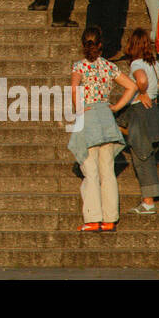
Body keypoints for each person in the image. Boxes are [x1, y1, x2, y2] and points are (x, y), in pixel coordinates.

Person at [69, 27, 136, 232]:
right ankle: (110, 218)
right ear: (100, 44)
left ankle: (93, 217)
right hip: (106, 118)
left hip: (89, 117)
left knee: (91, 172)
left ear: (83, 44)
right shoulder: (108, 66)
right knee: (108, 172)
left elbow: (74, 88)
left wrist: (78, 108)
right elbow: (132, 86)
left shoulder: (79, 66)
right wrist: (116, 106)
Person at [118, 28, 159, 214]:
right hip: (151, 111)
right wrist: (154, 91)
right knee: (143, 151)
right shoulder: (154, 64)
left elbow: (140, 79)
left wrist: (143, 92)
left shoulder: (136, 63)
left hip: (139, 111)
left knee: (142, 155)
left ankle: (148, 202)